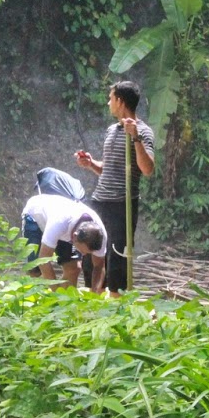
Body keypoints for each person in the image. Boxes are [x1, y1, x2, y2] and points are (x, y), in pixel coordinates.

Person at [75, 81, 155, 293]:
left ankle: (116, 301)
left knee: (117, 256)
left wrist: (135, 137)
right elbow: (110, 169)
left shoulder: (143, 132)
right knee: (91, 250)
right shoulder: (112, 130)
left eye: (111, 98)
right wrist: (91, 164)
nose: (108, 102)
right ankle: (94, 300)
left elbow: (147, 169)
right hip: (100, 201)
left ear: (120, 101)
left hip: (123, 204)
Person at [21, 192, 108, 290]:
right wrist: (57, 295)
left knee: (73, 268)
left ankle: (68, 299)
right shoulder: (59, 223)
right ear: (74, 237)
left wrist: (95, 293)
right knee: (34, 269)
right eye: (83, 251)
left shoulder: (100, 234)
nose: (84, 255)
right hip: (35, 216)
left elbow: (99, 266)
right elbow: (43, 259)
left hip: (65, 227)